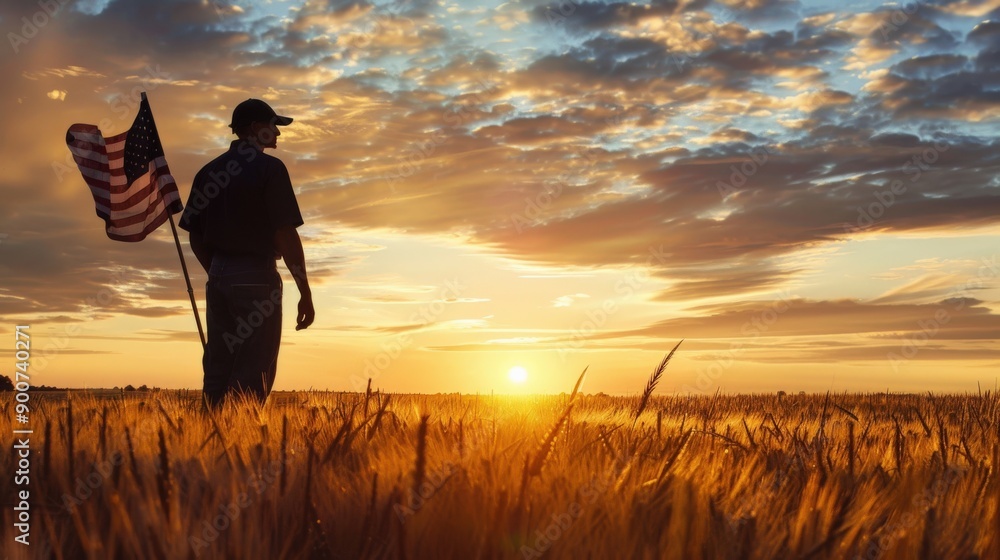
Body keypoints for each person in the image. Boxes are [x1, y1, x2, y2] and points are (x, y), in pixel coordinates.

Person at [179, 98, 315, 409]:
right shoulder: (270, 169)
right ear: (255, 129)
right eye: (273, 127)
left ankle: (208, 442)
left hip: (218, 280)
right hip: (257, 277)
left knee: (218, 369)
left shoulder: (207, 172)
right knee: (254, 371)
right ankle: (242, 444)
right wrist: (304, 291)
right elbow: (284, 233)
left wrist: (218, 270)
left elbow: (195, 234)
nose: (278, 135)